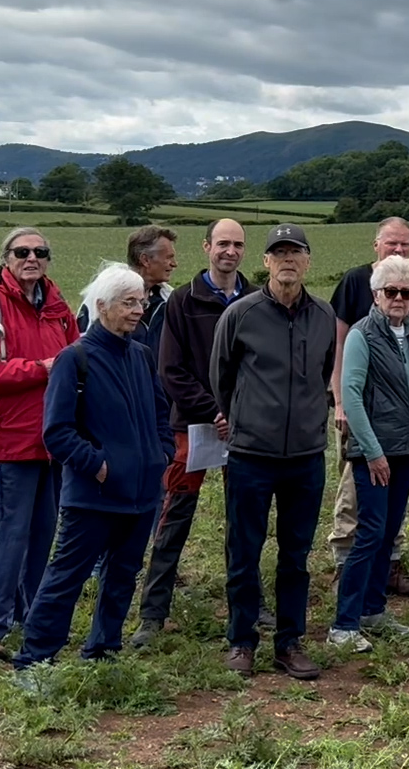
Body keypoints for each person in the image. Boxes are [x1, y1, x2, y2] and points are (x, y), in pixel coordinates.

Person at [14, 263, 174, 668]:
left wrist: (162, 455)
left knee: (122, 576)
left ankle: (103, 651)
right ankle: (35, 660)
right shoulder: (75, 359)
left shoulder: (141, 355)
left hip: (141, 496)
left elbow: (160, 413)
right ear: (102, 306)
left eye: (141, 301)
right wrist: (98, 465)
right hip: (93, 496)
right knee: (67, 577)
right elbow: (57, 431)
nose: (138, 310)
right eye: (128, 303)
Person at [209, 224, 339, 680]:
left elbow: (325, 373)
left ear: (307, 261)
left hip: (305, 457)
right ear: (264, 262)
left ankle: (290, 642)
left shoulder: (324, 316)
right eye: (278, 252)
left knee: (296, 555)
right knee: (243, 550)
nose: (287, 260)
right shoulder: (242, 314)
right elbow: (221, 377)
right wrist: (244, 421)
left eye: (295, 252)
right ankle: (241, 641)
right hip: (251, 456)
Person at [0, 227, 78, 660]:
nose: (32, 258)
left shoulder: (60, 309)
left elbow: (75, 361)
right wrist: (42, 369)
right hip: (7, 444)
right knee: (4, 540)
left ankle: (29, 621)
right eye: (22, 252)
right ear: (6, 258)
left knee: (42, 539)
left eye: (40, 252)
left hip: (52, 444)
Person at [130, 219, 251, 649]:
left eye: (237, 244)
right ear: (207, 248)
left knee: (245, 521)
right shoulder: (182, 301)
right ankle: (152, 614)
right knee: (175, 517)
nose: (230, 251)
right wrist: (214, 410)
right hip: (193, 428)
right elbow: (171, 371)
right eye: (222, 243)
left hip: (246, 430)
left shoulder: (257, 300)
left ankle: (249, 607)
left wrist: (237, 413)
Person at [327, 217, 409, 597]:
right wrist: (340, 400)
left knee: (393, 503)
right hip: (363, 410)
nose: (398, 250)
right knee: (354, 492)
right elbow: (340, 344)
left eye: (405, 244)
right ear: (375, 243)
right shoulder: (355, 282)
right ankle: (347, 569)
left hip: (404, 423)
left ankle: (387, 571)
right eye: (392, 243)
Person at [77, 225, 178, 358]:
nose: (174, 264)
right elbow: (84, 345)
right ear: (145, 260)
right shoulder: (105, 295)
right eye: (168, 258)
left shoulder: (169, 300)